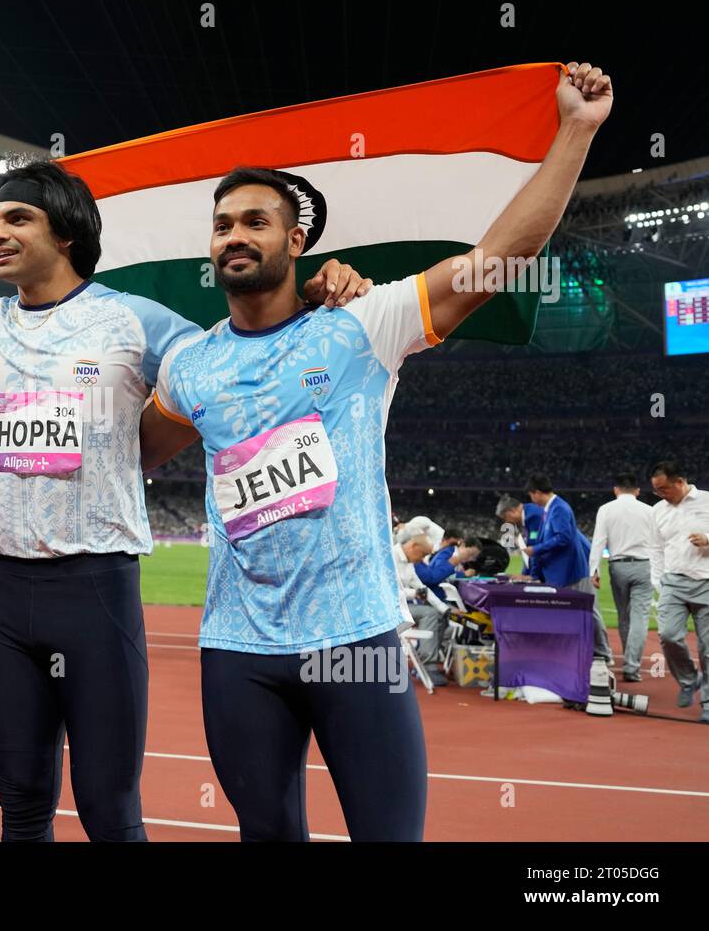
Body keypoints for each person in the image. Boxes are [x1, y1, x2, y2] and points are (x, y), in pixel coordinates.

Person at [142, 61, 613, 840]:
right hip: (237, 649)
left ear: (295, 240)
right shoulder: (192, 366)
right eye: (223, 223)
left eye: (255, 222)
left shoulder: (362, 324)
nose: (234, 236)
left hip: (352, 640)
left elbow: (499, 256)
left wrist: (575, 131)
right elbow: (133, 454)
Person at [0, 160, 370, 840]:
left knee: (107, 808)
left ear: (66, 233)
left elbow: (235, 364)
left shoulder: (132, 321)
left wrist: (315, 295)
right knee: (19, 801)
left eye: (17, 217)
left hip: (95, 587)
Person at [523, 474, 614, 663]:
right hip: (562, 572)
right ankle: (578, 650)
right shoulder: (551, 509)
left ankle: (603, 653)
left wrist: (536, 549)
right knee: (574, 613)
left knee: (589, 612)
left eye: (531, 495)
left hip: (571, 571)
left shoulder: (559, 509)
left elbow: (563, 538)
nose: (531, 500)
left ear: (537, 493)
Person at [649, 461, 709, 722]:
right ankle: (688, 679)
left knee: (708, 649)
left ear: (680, 482)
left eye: (664, 489)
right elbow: (655, 548)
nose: (661, 495)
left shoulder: (707, 501)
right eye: (656, 491)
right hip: (673, 582)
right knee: (669, 635)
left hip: (706, 581)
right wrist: (657, 582)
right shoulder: (658, 511)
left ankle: (707, 701)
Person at [588, 472, 656, 682]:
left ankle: (630, 659)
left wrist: (594, 570)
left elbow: (598, 541)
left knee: (624, 616)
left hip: (618, 567)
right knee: (640, 618)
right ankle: (632, 665)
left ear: (615, 489)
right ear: (637, 490)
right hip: (645, 565)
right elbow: (657, 543)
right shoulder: (649, 510)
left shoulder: (606, 509)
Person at [394, 534, 450, 686]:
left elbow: (422, 589)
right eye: (423, 554)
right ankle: (428, 664)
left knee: (438, 613)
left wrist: (445, 609)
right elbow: (389, 590)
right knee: (429, 613)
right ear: (414, 546)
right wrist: (414, 593)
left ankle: (427, 661)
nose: (422, 560)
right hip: (390, 608)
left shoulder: (408, 562)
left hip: (402, 606)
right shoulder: (390, 558)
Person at [495, 494, 545, 572]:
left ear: (511, 511)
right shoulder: (529, 512)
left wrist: (531, 576)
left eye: (505, 517)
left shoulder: (533, 516)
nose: (507, 521)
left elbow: (534, 550)